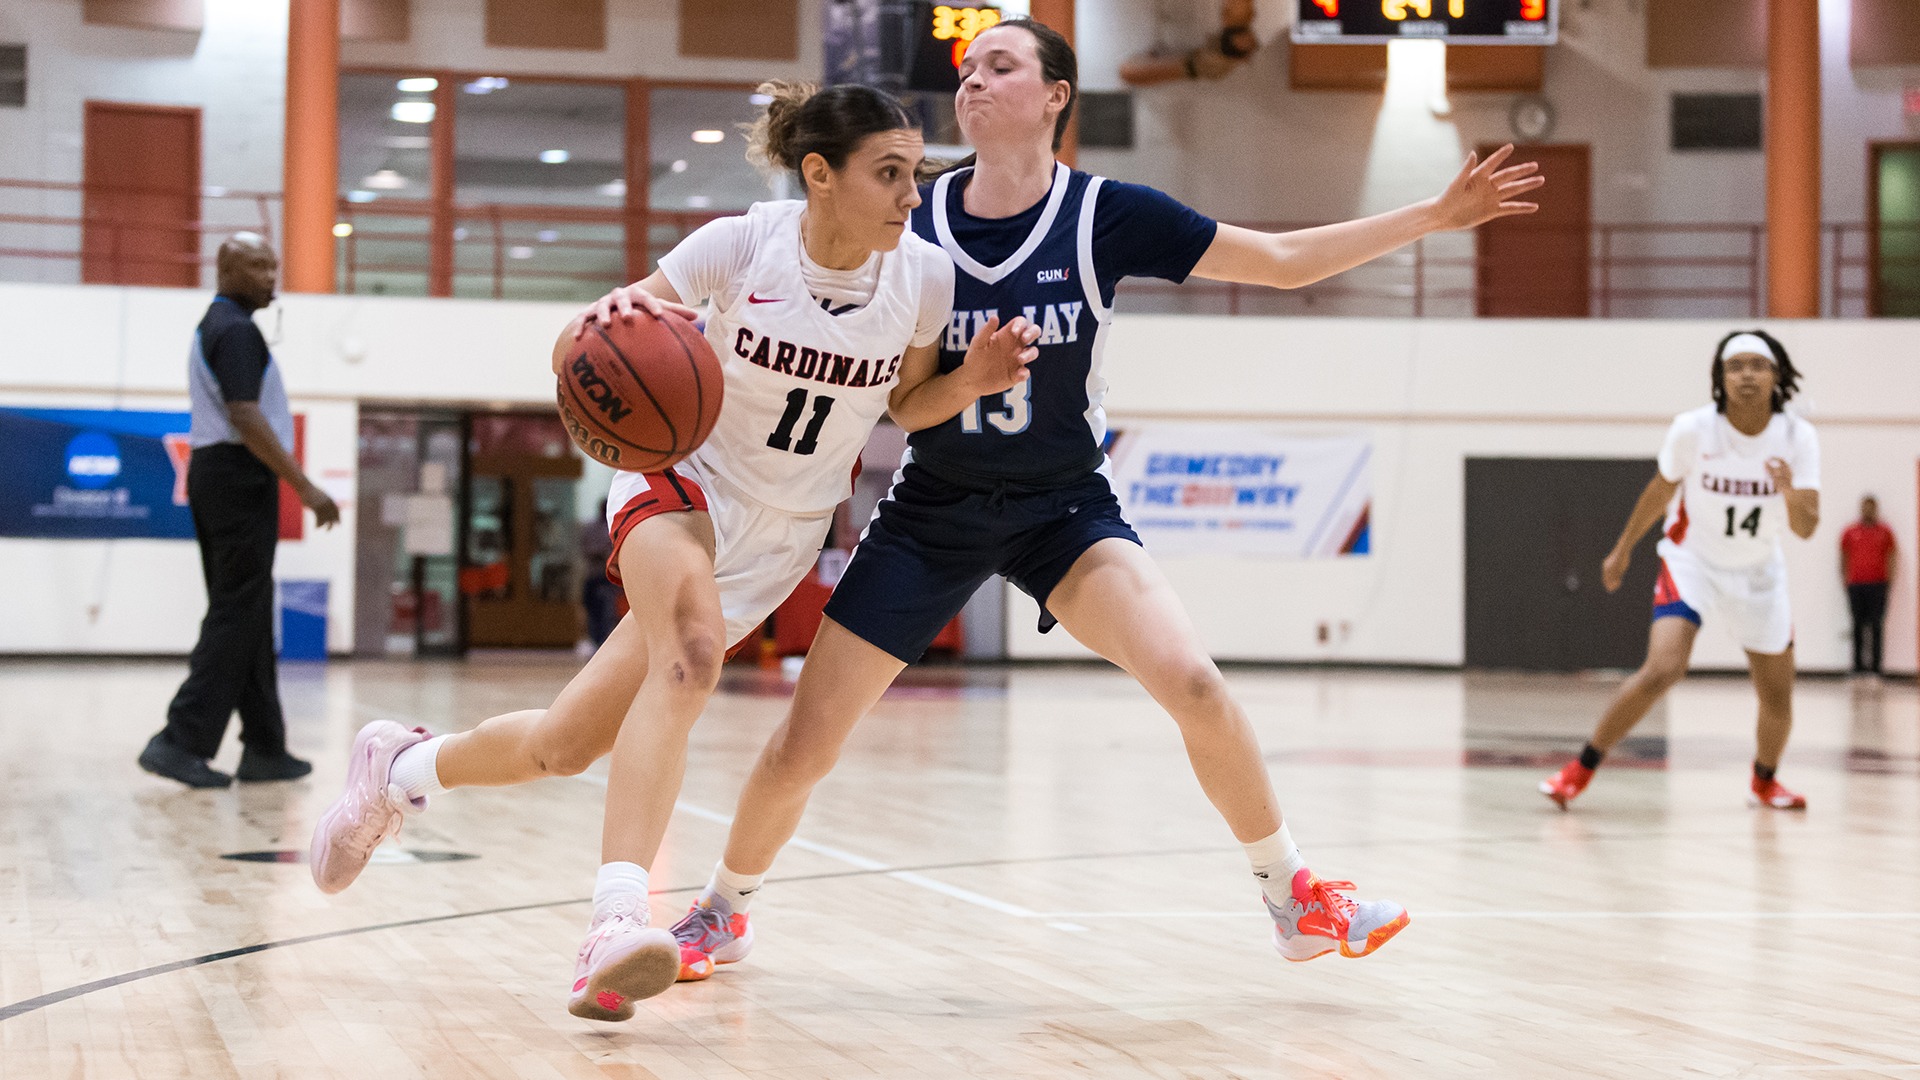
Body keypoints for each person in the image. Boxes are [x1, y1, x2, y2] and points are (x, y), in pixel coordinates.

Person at [660, 16, 1544, 982]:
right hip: (935, 505)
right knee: (806, 740)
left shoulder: (1108, 214)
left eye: (1001, 66)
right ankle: (721, 911)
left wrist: (1431, 217)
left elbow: (1283, 263)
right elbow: (905, 405)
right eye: (967, 69)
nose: (973, 81)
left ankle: (1293, 898)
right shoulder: (910, 221)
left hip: (1063, 508)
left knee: (1196, 683)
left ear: (1055, 96)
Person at [307, 82, 1041, 1022]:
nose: (912, 194)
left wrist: (969, 380)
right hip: (681, 482)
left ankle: (400, 768)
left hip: (781, 534)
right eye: (890, 173)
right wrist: (619, 332)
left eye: (916, 173)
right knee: (690, 661)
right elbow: (584, 342)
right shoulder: (739, 244)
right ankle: (615, 924)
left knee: (565, 745)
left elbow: (904, 405)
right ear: (820, 175)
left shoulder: (923, 279)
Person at [1541, 330, 1820, 812]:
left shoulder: (1798, 437)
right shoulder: (1694, 429)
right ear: (1720, 378)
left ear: (1775, 376)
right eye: (1736, 366)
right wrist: (1622, 548)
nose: (1747, 375)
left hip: (1758, 573)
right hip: (1693, 561)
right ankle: (1580, 768)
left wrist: (1789, 490)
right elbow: (1660, 490)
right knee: (1664, 668)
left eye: (1758, 365)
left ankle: (1765, 781)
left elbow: (1807, 527)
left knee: (1777, 693)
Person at [138, 233, 339, 790]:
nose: (270, 275)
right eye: (255, 266)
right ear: (225, 269)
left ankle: (265, 747)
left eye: (274, 265)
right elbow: (247, 416)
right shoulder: (237, 330)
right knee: (237, 608)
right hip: (235, 475)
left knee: (247, 606)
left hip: (219, 475)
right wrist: (305, 487)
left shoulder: (219, 325)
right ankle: (180, 740)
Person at [1840, 495, 1896, 675]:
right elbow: (1843, 555)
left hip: (1878, 584)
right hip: (1856, 584)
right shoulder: (1850, 531)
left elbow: (1892, 555)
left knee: (1876, 625)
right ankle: (1857, 666)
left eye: (1871, 507)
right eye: (1865, 507)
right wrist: (1845, 578)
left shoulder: (1885, 531)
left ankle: (1876, 667)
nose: (1868, 511)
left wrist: (1890, 579)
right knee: (1857, 624)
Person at [579, 497, 619, 649]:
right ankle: (593, 639)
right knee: (591, 608)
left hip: (608, 575)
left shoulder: (613, 527)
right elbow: (585, 548)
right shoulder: (591, 528)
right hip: (593, 574)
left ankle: (603, 641)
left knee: (607, 609)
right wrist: (599, 553)